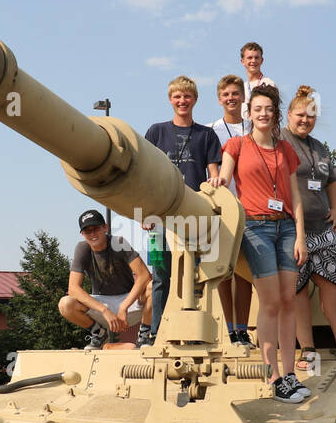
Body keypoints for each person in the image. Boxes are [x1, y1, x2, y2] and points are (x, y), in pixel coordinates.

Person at [214, 84, 307, 402]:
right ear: (248, 113)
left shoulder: (286, 151)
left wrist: (301, 235)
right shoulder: (236, 145)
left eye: (268, 109)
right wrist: (216, 183)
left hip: (286, 229)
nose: (263, 114)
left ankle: (290, 374)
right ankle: (274, 376)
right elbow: (225, 180)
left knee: (288, 302)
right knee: (269, 303)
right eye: (257, 109)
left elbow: (295, 196)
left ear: (275, 113)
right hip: (255, 228)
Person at [282, 85, 336, 367]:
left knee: (333, 285)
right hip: (291, 227)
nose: (305, 120)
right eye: (300, 115)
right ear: (289, 114)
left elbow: (332, 180)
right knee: (298, 289)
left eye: (311, 116)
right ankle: (307, 348)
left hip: (322, 227)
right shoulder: (280, 141)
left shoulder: (320, 147)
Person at [144, 76, 223, 343]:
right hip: (159, 216)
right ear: (170, 99)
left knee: (197, 275)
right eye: (177, 97)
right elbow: (145, 174)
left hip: (194, 216)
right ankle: (157, 332)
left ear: (195, 100)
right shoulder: (156, 132)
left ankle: (196, 333)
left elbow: (214, 173)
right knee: (161, 276)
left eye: (187, 97)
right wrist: (145, 213)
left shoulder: (206, 135)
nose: (182, 101)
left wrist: (215, 182)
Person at [59, 210, 152, 348]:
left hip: (129, 303)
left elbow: (144, 275)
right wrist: (104, 310)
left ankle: (145, 334)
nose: (92, 234)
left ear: (105, 228)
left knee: (153, 286)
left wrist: (124, 307)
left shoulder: (118, 242)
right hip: (101, 304)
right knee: (65, 304)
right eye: (87, 231)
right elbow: (73, 289)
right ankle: (98, 334)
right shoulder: (82, 248)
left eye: (96, 228)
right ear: (82, 234)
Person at [209, 74, 254, 346]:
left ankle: (242, 328)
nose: (231, 98)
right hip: (222, 208)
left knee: (244, 273)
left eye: (236, 94)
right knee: (224, 272)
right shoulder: (210, 129)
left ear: (243, 97)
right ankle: (229, 329)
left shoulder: (253, 127)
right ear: (219, 99)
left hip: (250, 209)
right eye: (226, 95)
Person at [238, 42, 276, 121]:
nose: (253, 61)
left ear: (261, 60)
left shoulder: (268, 83)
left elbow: (274, 113)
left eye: (256, 57)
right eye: (250, 58)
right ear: (242, 61)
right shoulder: (242, 87)